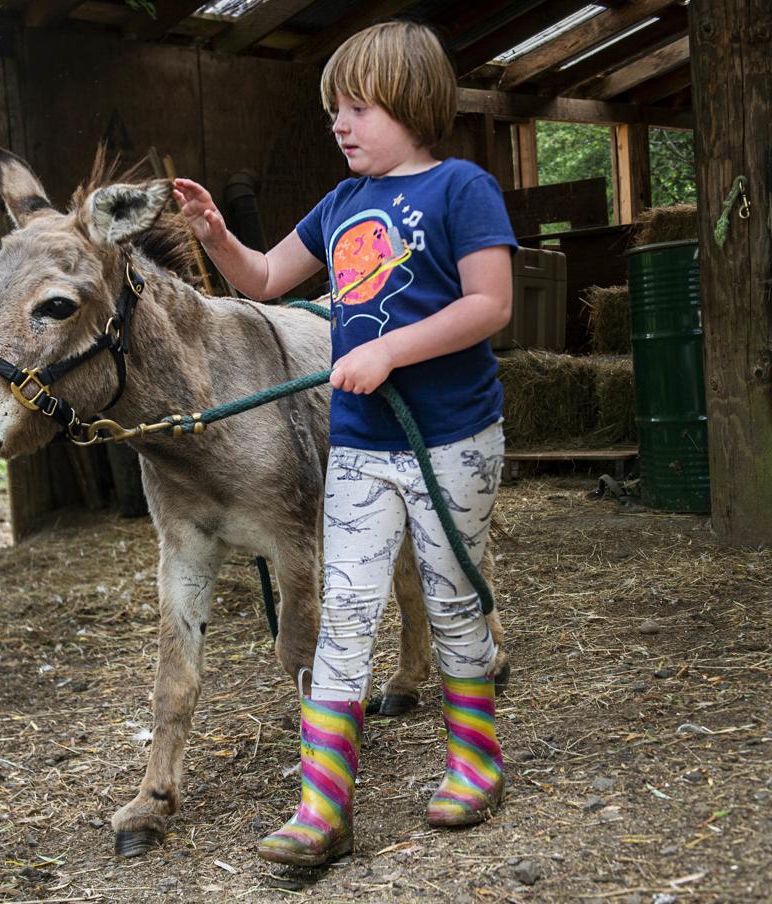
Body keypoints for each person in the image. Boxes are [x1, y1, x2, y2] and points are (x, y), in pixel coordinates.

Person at [172, 19, 516, 867]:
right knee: (346, 616)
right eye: (335, 109)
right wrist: (216, 234)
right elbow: (261, 279)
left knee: (449, 600)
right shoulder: (340, 205)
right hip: (361, 448)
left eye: (357, 107)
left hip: (451, 441)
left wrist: (390, 348)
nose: (340, 123)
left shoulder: (461, 190)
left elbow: (491, 304)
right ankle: (323, 806)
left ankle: (475, 761)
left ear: (411, 104)